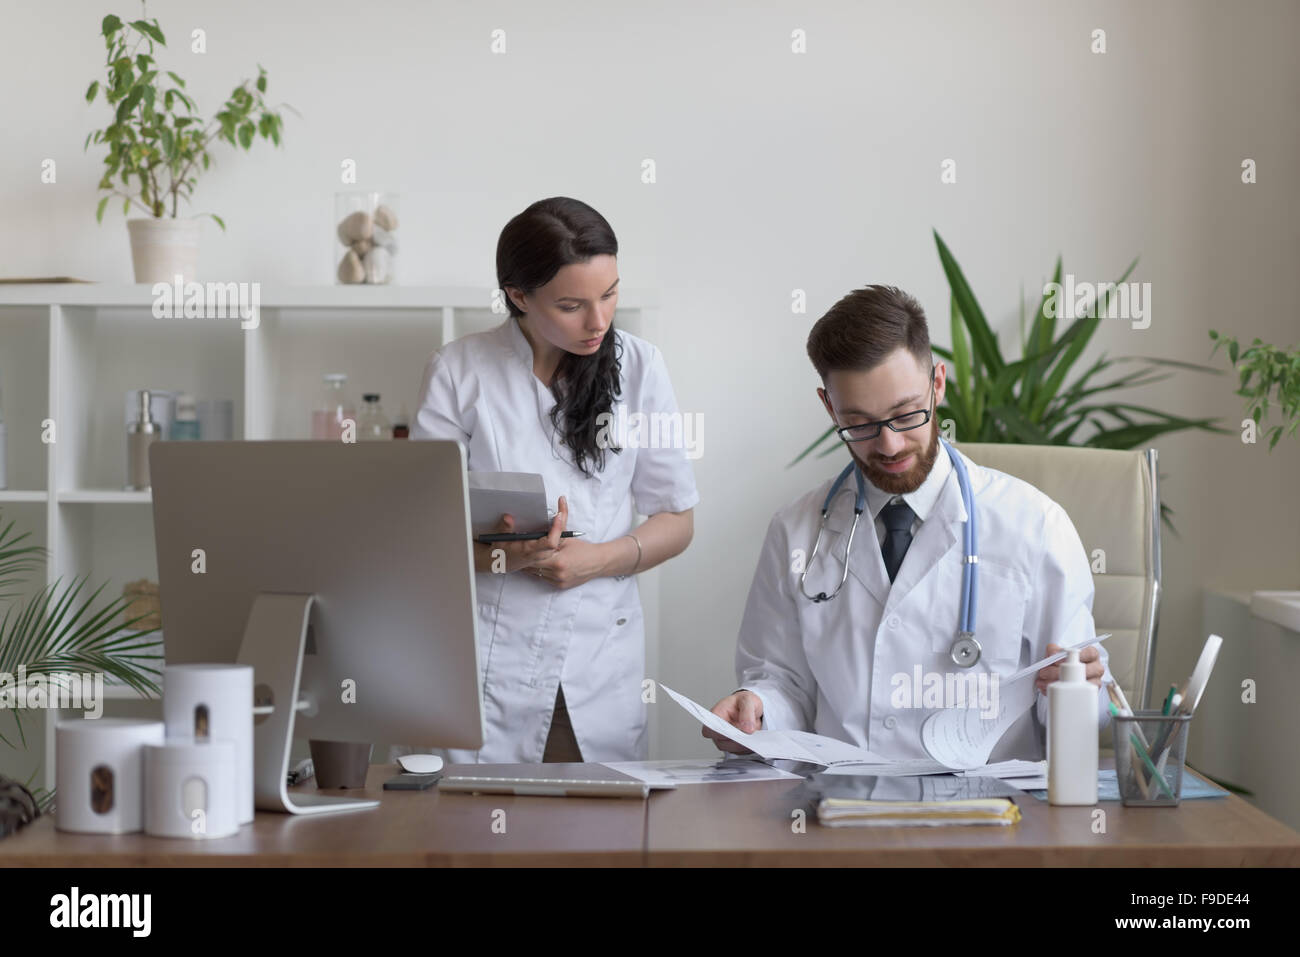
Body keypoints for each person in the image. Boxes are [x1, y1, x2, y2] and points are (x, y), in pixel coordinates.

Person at [704, 285, 1112, 762]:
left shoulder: (1034, 526)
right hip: (842, 812)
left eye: (906, 414)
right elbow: (783, 685)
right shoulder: (795, 531)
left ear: (937, 383)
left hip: (991, 818)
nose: (890, 446)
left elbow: (1082, 712)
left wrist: (1078, 688)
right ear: (829, 407)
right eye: (859, 423)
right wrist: (756, 710)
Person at [410, 196, 698, 764]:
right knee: (473, 844)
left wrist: (598, 559)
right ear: (519, 295)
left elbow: (677, 520)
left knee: (591, 844)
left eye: (610, 294)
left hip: (599, 666)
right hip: (487, 665)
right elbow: (421, 536)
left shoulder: (641, 368)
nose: (599, 322)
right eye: (571, 305)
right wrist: (508, 558)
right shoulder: (458, 371)